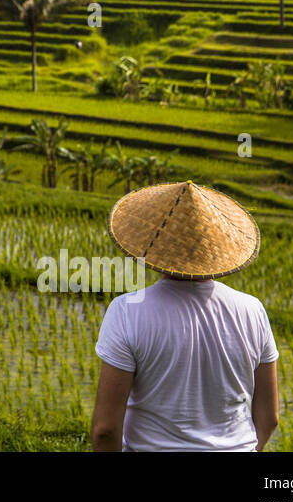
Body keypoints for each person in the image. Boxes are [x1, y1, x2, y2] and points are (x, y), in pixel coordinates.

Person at [90, 181, 279, 452]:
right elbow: (269, 418)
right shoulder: (252, 311)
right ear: (217, 250)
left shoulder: (126, 311)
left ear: (152, 242)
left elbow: (105, 431)